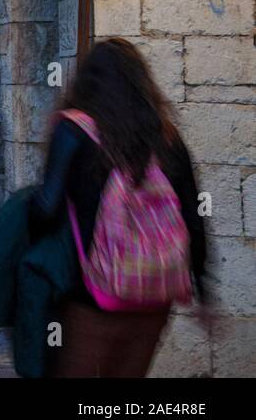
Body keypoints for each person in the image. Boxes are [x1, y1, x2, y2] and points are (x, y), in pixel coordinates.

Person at [29, 39, 207, 377]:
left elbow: (46, 209)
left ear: (86, 82)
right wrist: (203, 289)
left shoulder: (72, 130)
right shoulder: (168, 137)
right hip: (156, 291)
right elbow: (192, 219)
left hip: (91, 292)